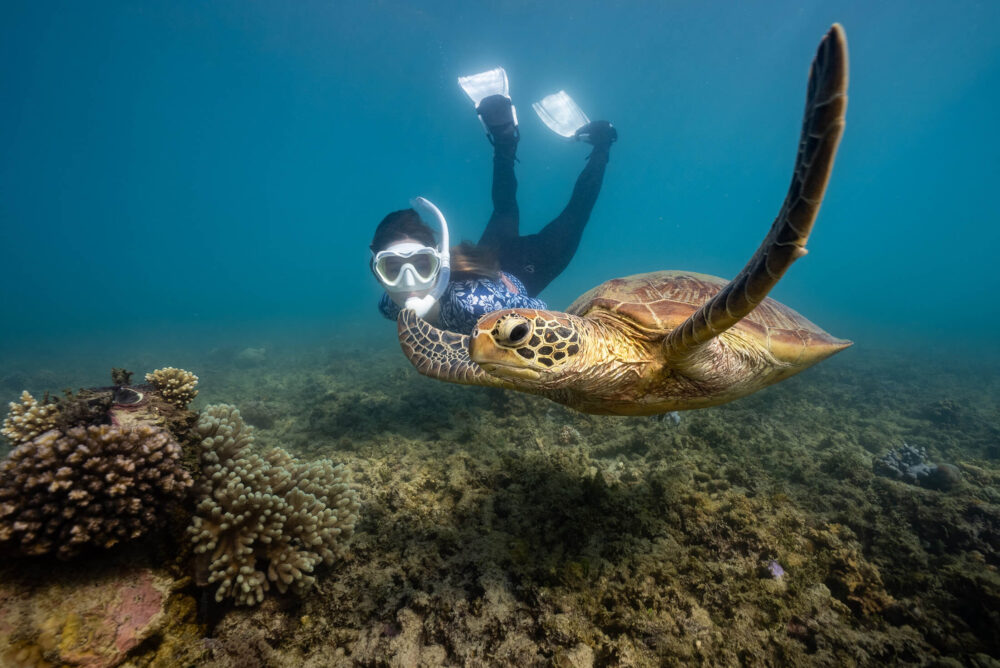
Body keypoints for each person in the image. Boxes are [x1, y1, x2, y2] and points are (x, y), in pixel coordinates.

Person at [371, 68, 617, 335]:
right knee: (510, 209)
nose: (409, 284)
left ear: (439, 262)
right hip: (486, 257)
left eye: (421, 265)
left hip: (527, 269)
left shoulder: (476, 306)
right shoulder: (389, 306)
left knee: (572, 214)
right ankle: (509, 140)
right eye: (392, 269)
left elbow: (541, 314)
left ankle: (598, 145)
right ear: (377, 274)